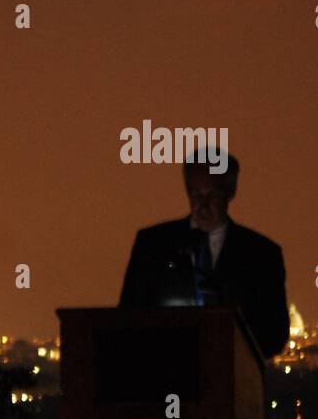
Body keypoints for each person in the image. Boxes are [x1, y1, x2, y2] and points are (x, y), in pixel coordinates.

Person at [119, 150, 289, 358]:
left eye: (212, 195)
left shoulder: (261, 255)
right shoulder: (153, 246)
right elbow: (126, 316)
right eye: (195, 195)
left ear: (231, 191)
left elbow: (274, 334)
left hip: (232, 380)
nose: (203, 205)